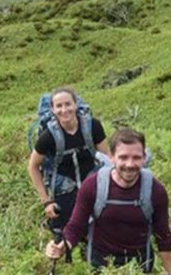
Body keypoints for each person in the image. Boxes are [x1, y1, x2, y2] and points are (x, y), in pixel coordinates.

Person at [46, 128, 171, 275]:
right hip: (99, 263)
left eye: (136, 158)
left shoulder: (155, 190)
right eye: (123, 157)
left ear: (144, 158)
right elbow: (76, 226)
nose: (130, 164)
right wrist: (62, 246)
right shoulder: (93, 185)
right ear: (111, 157)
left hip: (139, 265)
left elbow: (163, 235)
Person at [27, 87, 111, 230]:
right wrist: (46, 201)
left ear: (75, 104)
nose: (64, 110)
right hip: (64, 189)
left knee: (100, 228)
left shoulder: (93, 126)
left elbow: (107, 158)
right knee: (64, 234)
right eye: (59, 106)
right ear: (53, 109)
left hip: (92, 184)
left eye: (68, 104)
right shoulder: (48, 136)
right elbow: (33, 167)